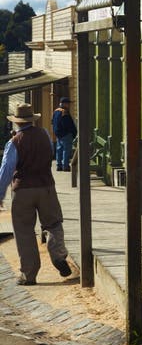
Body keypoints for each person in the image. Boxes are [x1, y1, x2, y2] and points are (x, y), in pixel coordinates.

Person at [0, 103, 72, 285]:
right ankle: (58, 255)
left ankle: (29, 274)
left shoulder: (14, 142)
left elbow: (6, 171)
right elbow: (51, 154)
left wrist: (0, 195)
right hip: (46, 186)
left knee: (24, 231)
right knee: (54, 223)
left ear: (16, 122)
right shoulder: (44, 135)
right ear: (32, 119)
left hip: (23, 189)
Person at [52, 96, 77, 171]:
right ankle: (65, 166)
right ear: (64, 104)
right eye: (68, 103)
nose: (69, 105)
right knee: (66, 150)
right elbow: (67, 124)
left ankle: (58, 165)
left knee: (59, 150)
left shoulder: (56, 111)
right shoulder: (64, 112)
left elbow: (52, 122)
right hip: (66, 134)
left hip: (58, 134)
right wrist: (73, 132)